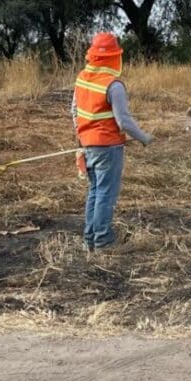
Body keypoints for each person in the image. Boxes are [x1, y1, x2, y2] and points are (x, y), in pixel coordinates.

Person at [72, 32, 154, 251]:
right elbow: (124, 121)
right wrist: (144, 138)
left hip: (88, 145)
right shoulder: (114, 85)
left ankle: (89, 239)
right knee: (106, 193)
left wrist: (81, 140)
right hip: (108, 147)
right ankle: (103, 240)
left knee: (95, 191)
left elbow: (74, 111)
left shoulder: (81, 78)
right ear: (114, 57)